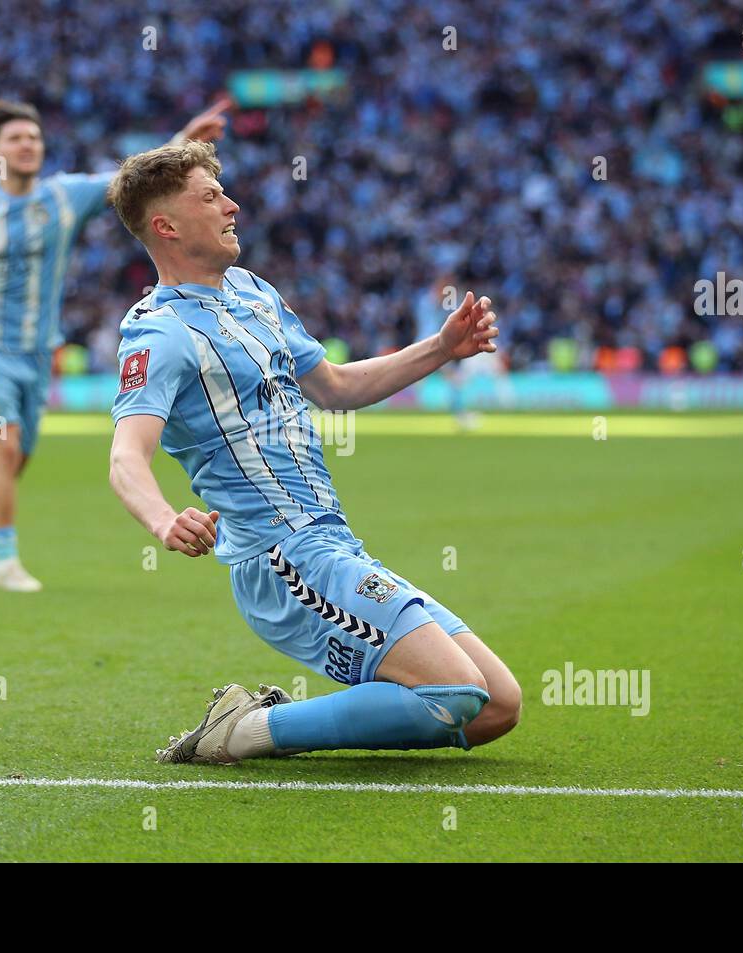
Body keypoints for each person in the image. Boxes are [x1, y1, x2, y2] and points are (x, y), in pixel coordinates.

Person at [105, 141, 521, 763]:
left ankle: (258, 724)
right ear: (166, 225)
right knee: (455, 691)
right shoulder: (160, 332)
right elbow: (125, 456)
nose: (232, 206)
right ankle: (243, 733)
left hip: (332, 542)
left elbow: (337, 386)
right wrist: (165, 519)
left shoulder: (252, 293)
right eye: (211, 197)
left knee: (496, 707)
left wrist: (440, 349)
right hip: (281, 555)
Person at [0, 97, 228, 591]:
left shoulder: (64, 195)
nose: (28, 144)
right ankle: (6, 563)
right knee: (6, 449)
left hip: (38, 350)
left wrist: (182, 140)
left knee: (14, 457)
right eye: (15, 138)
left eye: (34, 137)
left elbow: (135, 182)